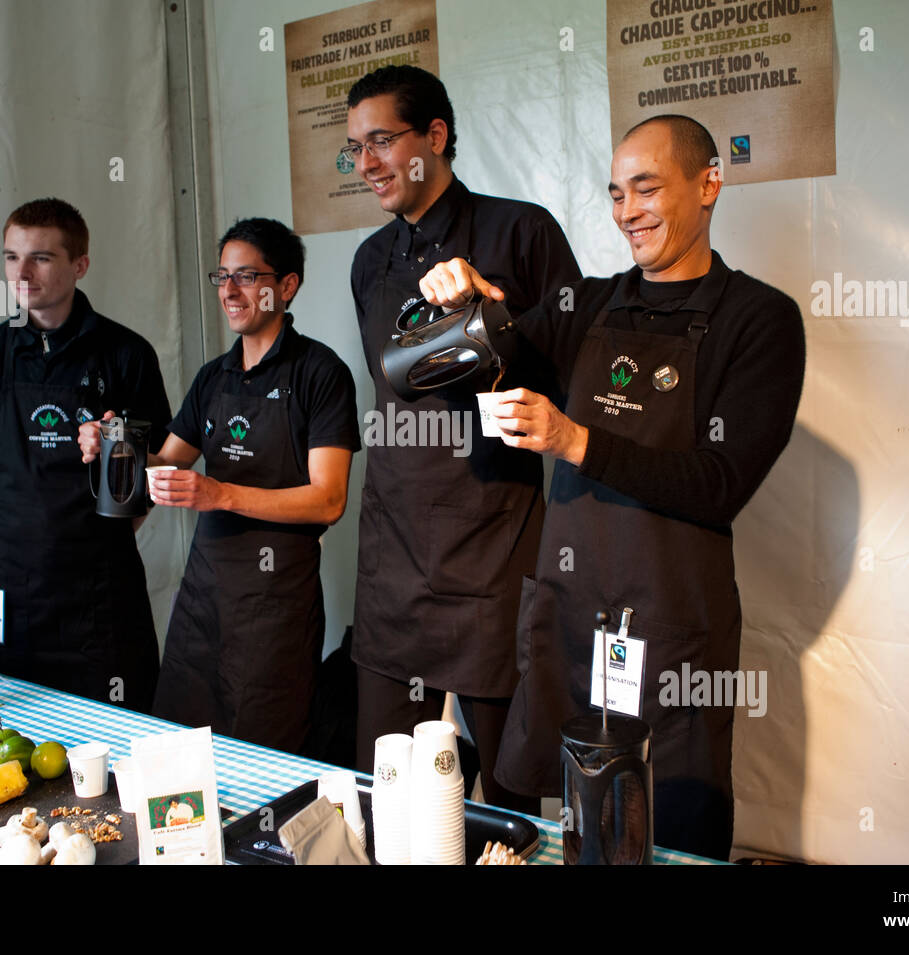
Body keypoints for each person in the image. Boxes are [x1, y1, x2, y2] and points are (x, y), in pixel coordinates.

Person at [418, 115, 806, 859]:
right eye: (617, 192)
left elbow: (719, 483)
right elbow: (498, 352)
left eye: (648, 188)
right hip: (577, 610)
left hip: (674, 625)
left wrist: (574, 439)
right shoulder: (588, 305)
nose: (629, 210)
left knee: (677, 823)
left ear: (709, 184)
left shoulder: (759, 320)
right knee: (585, 818)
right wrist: (469, 298)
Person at [344, 65, 581, 810]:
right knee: (391, 793)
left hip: (492, 557)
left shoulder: (522, 231)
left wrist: (489, 310)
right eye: (354, 148)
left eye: (381, 140)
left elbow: (573, 375)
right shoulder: (367, 262)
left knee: (509, 799)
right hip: (393, 563)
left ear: (435, 136)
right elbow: (398, 393)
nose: (366, 163)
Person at [80, 218, 359, 753]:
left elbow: (329, 499)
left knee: (262, 754)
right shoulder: (214, 377)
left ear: (287, 286)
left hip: (276, 606)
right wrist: (113, 443)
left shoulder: (320, 374)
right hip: (203, 600)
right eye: (222, 276)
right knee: (181, 746)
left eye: (247, 276)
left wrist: (218, 494)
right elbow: (166, 458)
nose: (229, 291)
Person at [0, 197, 171, 711]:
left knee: (121, 733)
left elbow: (158, 464)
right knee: (13, 738)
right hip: (12, 585)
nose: (21, 272)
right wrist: (32, 530)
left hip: (101, 591)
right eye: (11, 257)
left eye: (41, 258)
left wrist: (101, 532)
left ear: (80, 265)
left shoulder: (126, 355)